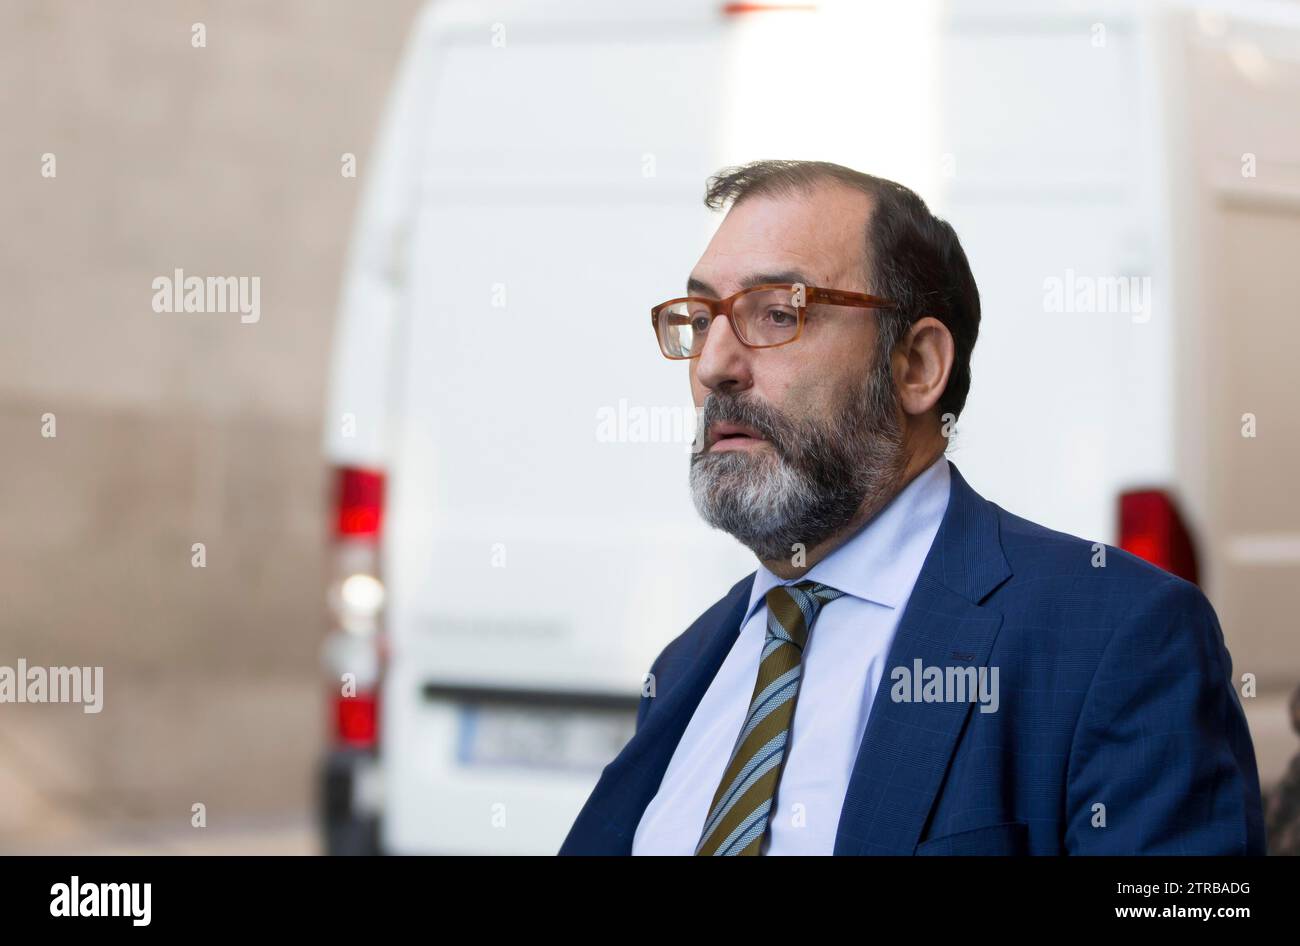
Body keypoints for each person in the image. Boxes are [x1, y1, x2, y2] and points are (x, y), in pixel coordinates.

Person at [559, 160, 1264, 856]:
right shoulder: (687, 668)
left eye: (776, 312)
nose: (714, 364)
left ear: (919, 366)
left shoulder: (1117, 640)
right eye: (702, 317)